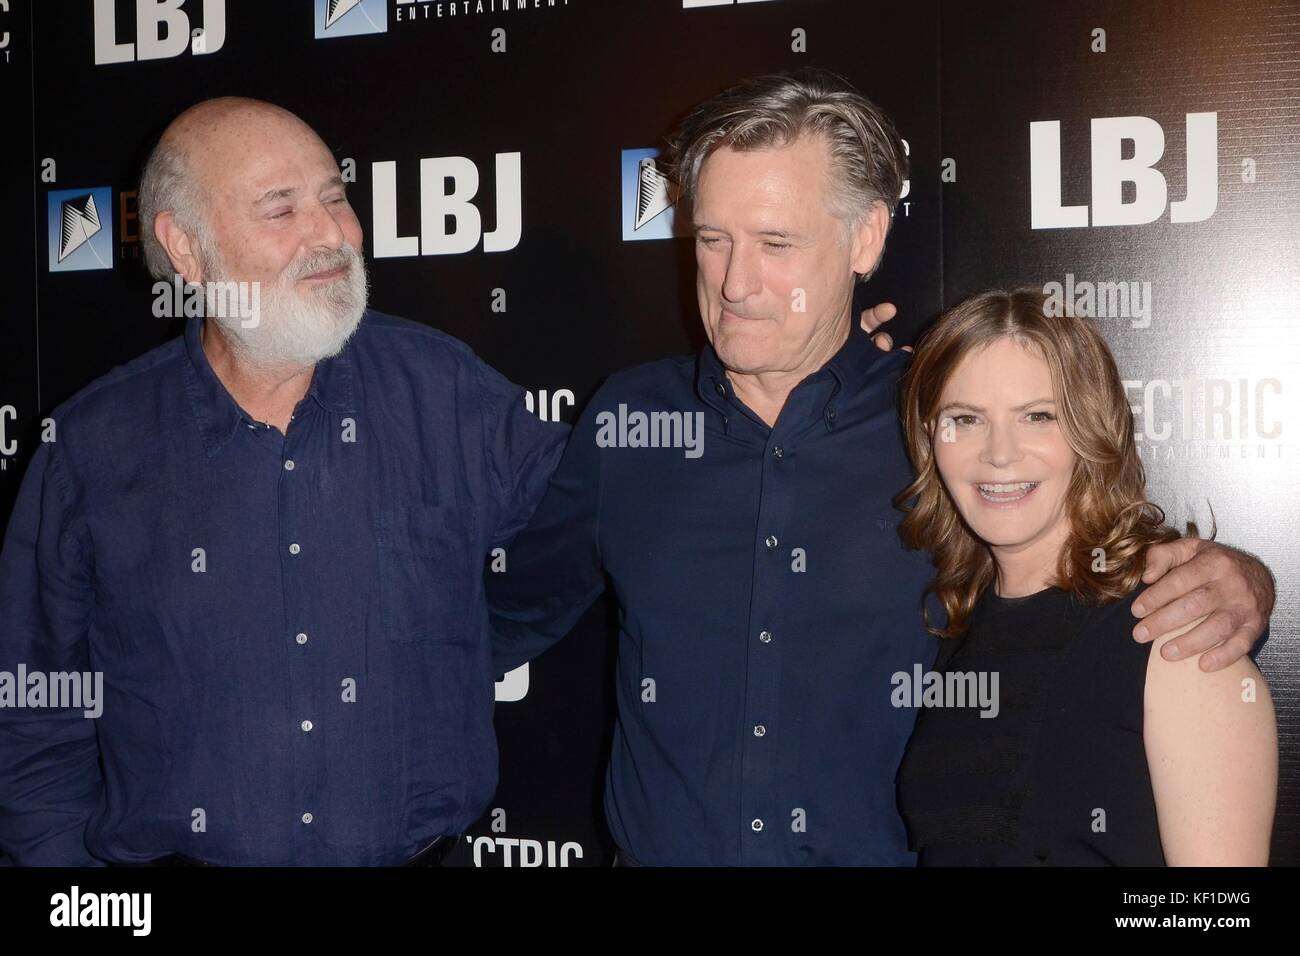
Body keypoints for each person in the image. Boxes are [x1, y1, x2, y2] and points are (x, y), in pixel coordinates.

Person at [487, 69, 1275, 866]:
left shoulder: (943, 428)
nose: (734, 282)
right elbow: (499, 614)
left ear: (865, 238)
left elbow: (1092, 569)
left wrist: (1237, 577)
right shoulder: (625, 425)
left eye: (775, 243)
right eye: (714, 239)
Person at [0, 97, 567, 865]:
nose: (333, 233)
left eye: (335, 197)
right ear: (186, 249)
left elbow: (582, 535)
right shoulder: (91, 448)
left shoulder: (443, 391)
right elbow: (37, 710)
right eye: (283, 209)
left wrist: (462, 648)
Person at [893, 289, 1277, 865]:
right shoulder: (958, 631)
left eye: (1038, 416)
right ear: (930, 438)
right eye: (966, 419)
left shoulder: (1174, 633)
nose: (999, 453)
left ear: (1091, 430)